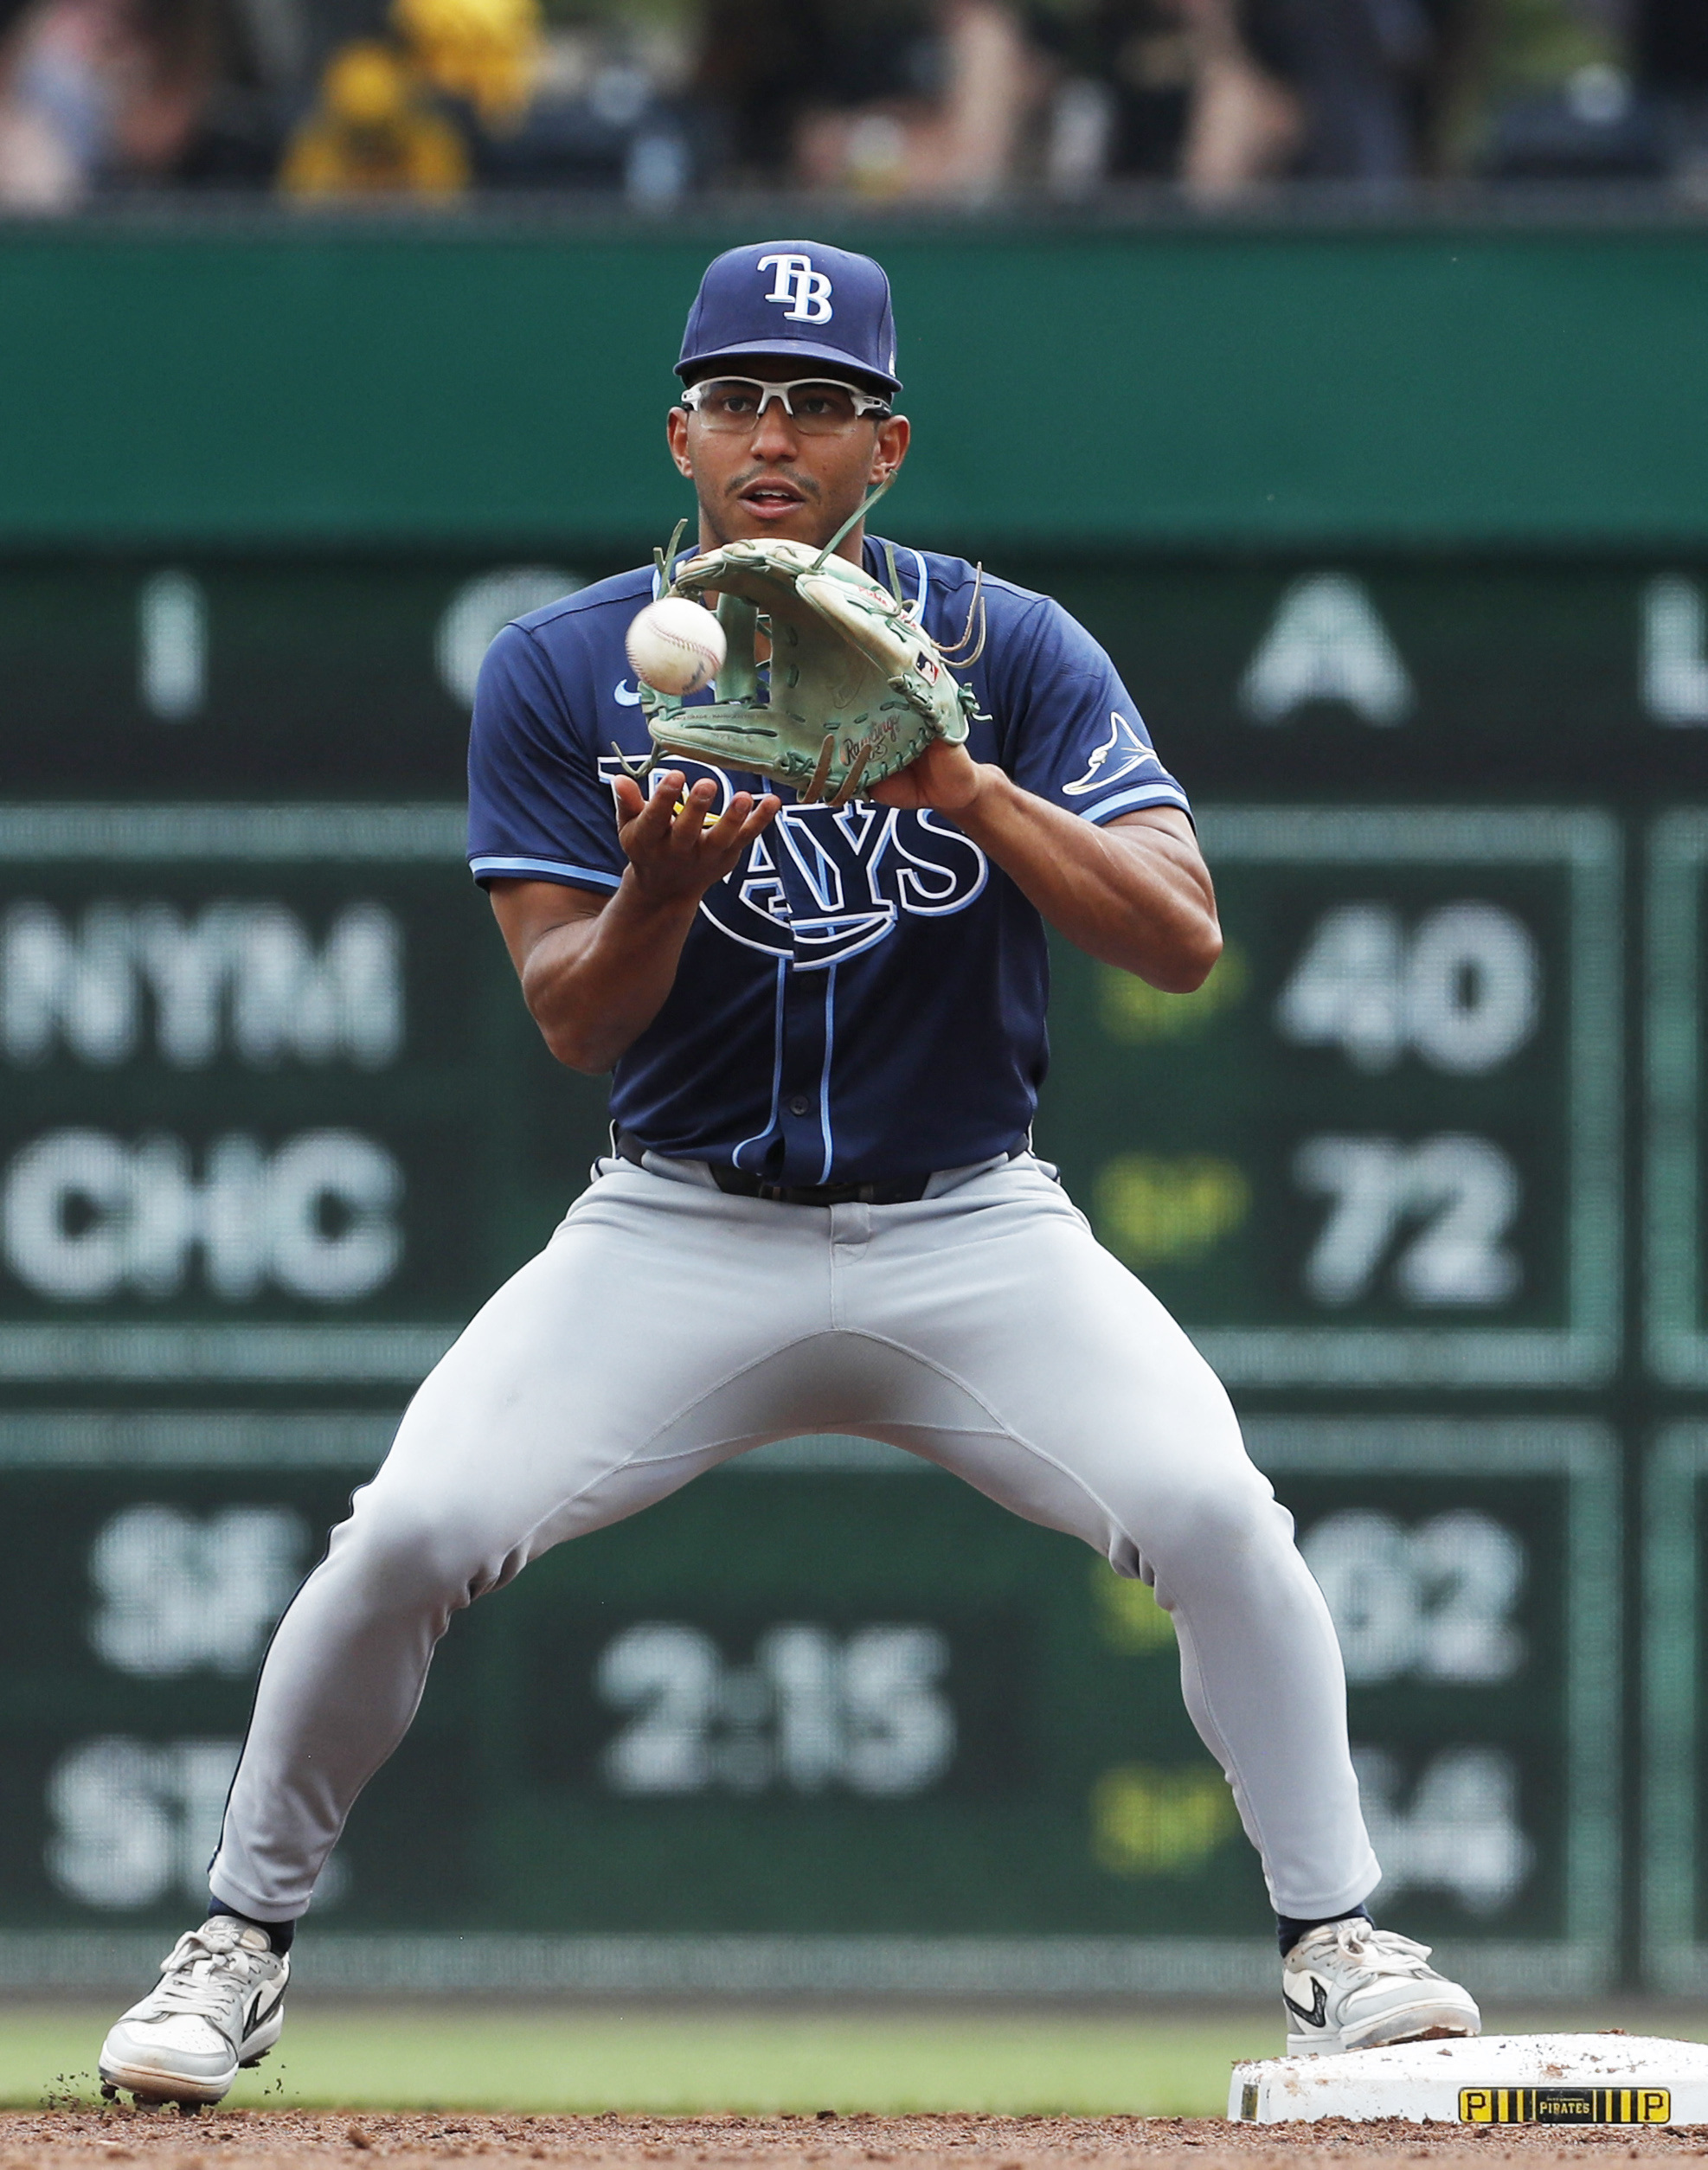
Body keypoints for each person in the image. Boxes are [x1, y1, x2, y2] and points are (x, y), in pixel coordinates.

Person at [97, 237, 1480, 2110]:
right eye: (742, 399)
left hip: (970, 1222)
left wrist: (965, 785)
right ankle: (236, 1946)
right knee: (411, 1532)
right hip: (678, 1223)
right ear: (680, 432)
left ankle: (1337, 1943)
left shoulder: (1010, 650)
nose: (777, 434)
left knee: (1222, 1519)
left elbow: (1179, 941)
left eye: (820, 406)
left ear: (885, 448)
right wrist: (658, 890)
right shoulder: (571, 670)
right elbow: (575, 1024)